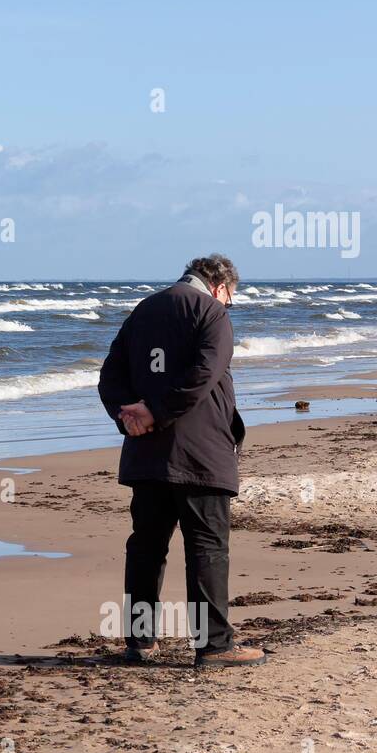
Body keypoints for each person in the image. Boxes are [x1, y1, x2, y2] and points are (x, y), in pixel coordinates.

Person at [97, 254, 266, 667]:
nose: (229, 306)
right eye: (231, 298)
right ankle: (214, 646)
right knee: (207, 548)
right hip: (199, 453)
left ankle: (139, 643)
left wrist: (128, 415)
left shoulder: (144, 309)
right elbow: (204, 373)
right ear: (221, 286)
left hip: (148, 454)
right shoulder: (212, 313)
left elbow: (109, 374)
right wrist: (154, 411)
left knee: (146, 547)